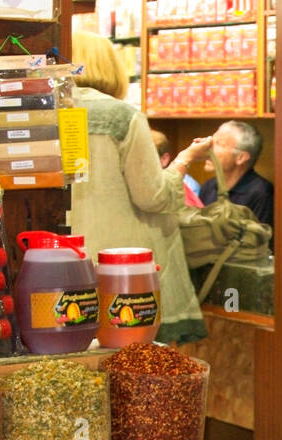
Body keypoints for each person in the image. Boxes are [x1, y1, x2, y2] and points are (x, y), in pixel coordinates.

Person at [70, 31, 207, 343]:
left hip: (52, 264)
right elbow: (152, 196)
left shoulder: (37, 109)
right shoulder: (122, 115)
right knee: (123, 360)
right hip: (117, 268)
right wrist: (184, 161)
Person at [199, 120, 274, 235]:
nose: (208, 149)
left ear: (241, 157)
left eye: (219, 144)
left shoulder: (261, 193)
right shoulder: (208, 187)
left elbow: (260, 242)